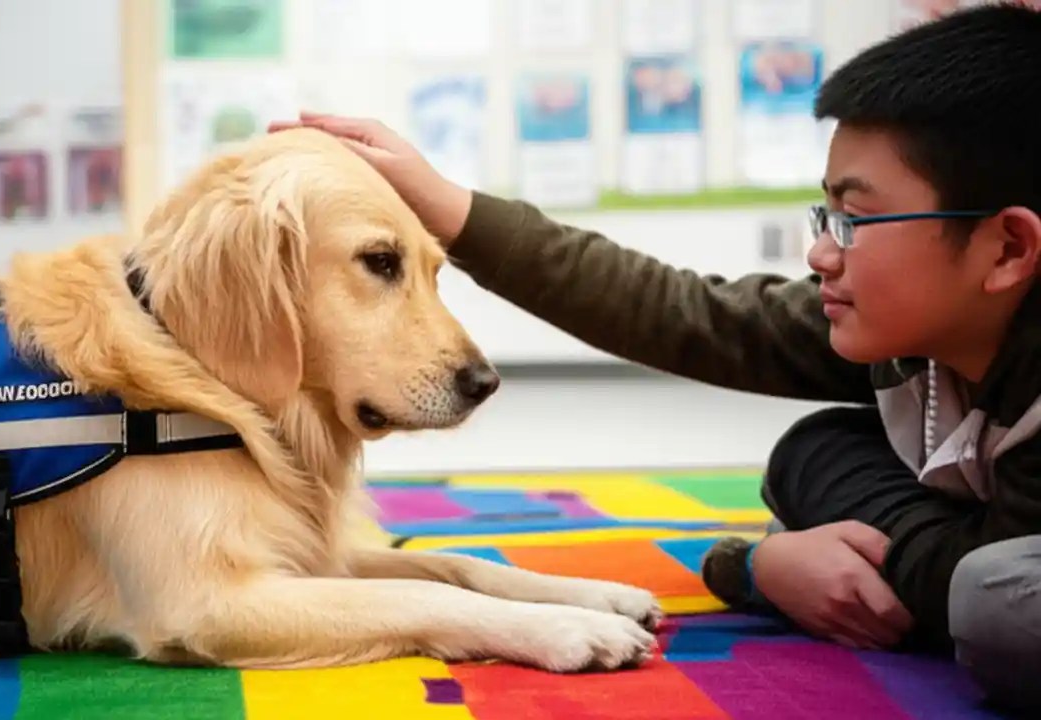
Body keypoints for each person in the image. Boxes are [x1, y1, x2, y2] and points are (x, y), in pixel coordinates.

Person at [270, 3, 1041, 713]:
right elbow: (681, 312)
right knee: (815, 449)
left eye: (856, 219)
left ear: (1007, 247)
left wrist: (756, 571)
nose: (820, 252)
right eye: (826, 214)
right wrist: (451, 207)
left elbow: (980, 584)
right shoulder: (912, 333)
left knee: (986, 589)